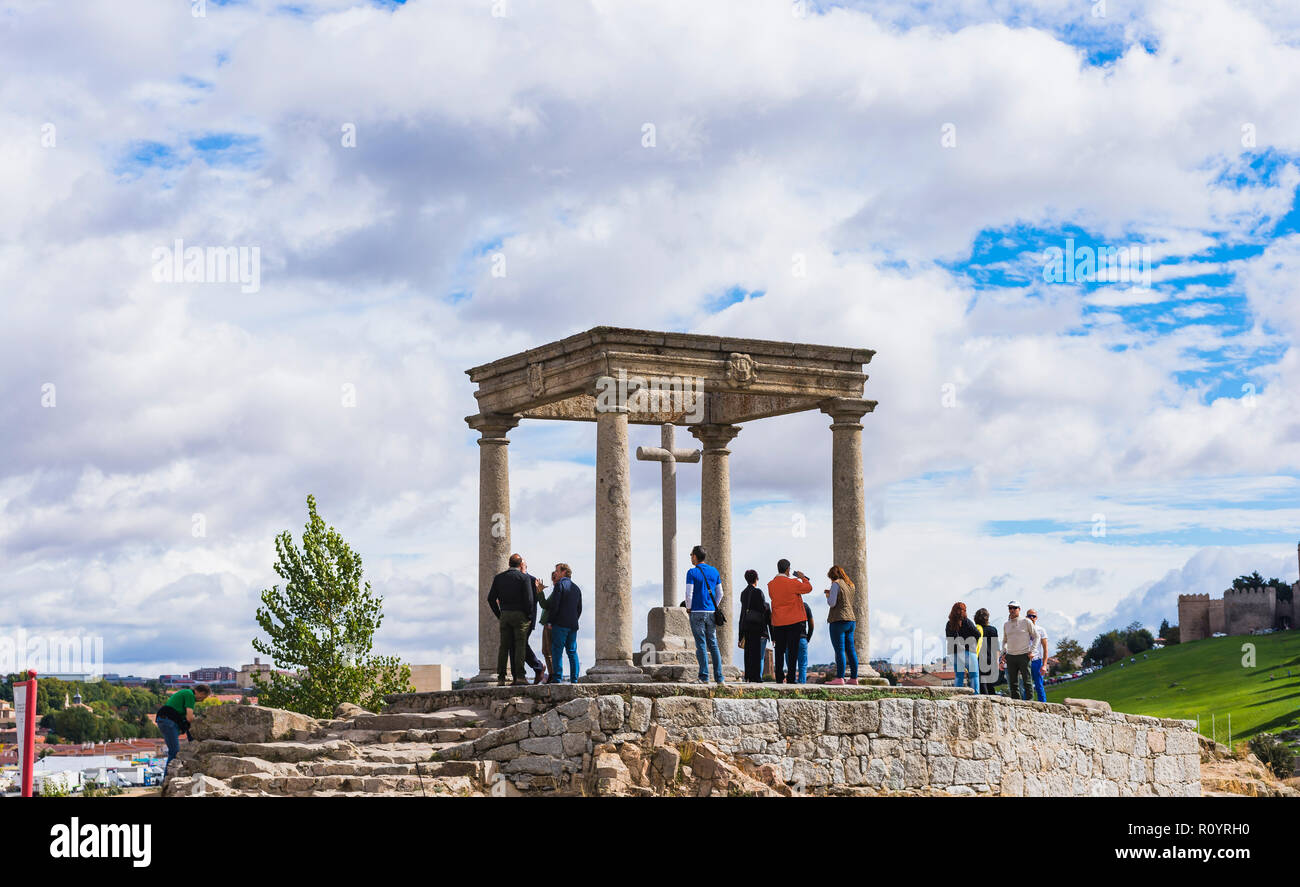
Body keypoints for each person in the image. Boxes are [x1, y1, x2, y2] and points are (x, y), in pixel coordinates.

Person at [487, 553, 536, 685]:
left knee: (504, 646)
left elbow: (490, 598)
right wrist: (529, 615)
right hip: (520, 615)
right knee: (520, 646)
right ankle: (520, 676)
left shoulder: (499, 578)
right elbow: (529, 600)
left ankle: (501, 677)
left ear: (509, 563)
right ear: (520, 565)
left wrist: (499, 614)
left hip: (505, 614)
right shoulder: (523, 578)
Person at [767, 559, 813, 684]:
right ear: (788, 569)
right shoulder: (793, 582)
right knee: (792, 650)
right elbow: (809, 588)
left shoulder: (771, 585)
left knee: (780, 650)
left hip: (778, 621)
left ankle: (779, 677)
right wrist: (803, 577)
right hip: (794, 621)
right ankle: (791, 677)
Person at [685, 544, 724, 683]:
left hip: (696, 611)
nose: (691, 557)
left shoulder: (692, 572)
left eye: (691, 555)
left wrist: (688, 608)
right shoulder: (714, 571)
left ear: (695, 556)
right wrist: (714, 606)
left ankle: (704, 677)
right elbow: (720, 593)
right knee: (713, 644)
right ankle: (720, 678)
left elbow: (689, 594)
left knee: (701, 644)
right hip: (711, 612)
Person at [156, 683, 211, 777]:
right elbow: (189, 718)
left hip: (165, 719)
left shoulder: (186, 693)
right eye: (203, 697)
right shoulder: (190, 695)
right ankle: (167, 777)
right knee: (174, 751)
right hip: (168, 721)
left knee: (175, 749)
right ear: (200, 692)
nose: (202, 700)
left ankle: (192, 742)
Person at [546, 563, 582, 683]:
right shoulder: (576, 588)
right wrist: (574, 619)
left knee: (557, 650)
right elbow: (579, 608)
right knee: (572, 652)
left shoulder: (559, 585)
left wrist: (550, 621)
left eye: (557, 571)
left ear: (564, 572)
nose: (555, 573)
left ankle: (557, 678)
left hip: (560, 624)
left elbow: (555, 605)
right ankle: (575, 679)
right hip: (573, 624)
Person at [824, 564, 858, 685]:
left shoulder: (835, 584)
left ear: (832, 576)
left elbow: (832, 603)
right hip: (851, 620)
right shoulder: (850, 585)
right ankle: (854, 678)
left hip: (838, 619)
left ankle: (840, 678)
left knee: (839, 650)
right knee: (851, 650)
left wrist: (828, 596)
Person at [1001, 600, 1039, 700]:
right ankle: (1016, 703)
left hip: (1024, 655)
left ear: (1019, 609)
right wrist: (1003, 653)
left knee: (1027, 681)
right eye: (1010, 608)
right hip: (1011, 656)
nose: (1012, 610)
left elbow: (1036, 636)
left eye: (1014, 608)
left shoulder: (1026, 621)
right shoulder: (1006, 624)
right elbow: (1004, 640)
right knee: (1013, 683)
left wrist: (1032, 651)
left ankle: (1031, 702)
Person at [738, 569, 770, 682]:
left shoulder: (743, 593)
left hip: (746, 626)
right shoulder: (758, 592)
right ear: (756, 579)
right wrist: (767, 606)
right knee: (756, 653)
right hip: (757, 626)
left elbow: (742, 614)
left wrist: (740, 635)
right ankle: (756, 677)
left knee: (748, 652)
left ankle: (748, 676)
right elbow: (763, 609)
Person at [520, 559, 548, 685]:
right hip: (520, 619)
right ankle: (535, 668)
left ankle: (538, 667)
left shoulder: (532, 580)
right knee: (520, 645)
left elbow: (534, 600)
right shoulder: (517, 579)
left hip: (528, 618)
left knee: (521, 644)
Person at [945, 602, 982, 692]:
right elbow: (978, 634)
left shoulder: (949, 624)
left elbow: (949, 639)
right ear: (964, 611)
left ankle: (958, 695)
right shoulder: (967, 621)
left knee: (959, 676)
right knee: (974, 675)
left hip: (956, 653)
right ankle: (975, 695)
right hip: (969, 651)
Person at [973, 607, 1000, 695]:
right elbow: (996, 648)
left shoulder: (975, 630)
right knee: (989, 683)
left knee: (982, 683)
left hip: (978, 659)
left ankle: (987, 703)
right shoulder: (993, 630)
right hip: (990, 659)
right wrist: (996, 661)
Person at [1027, 608, 1048, 702]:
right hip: (1025, 661)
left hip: (1037, 661)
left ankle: (1043, 705)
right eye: (1029, 616)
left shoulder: (1041, 630)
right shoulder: (1023, 630)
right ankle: (1026, 705)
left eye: (1033, 616)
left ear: (1036, 618)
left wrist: (1044, 665)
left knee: (1039, 685)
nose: (1031, 618)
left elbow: (1045, 649)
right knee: (1026, 685)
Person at [798, 601, 815, 684]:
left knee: (791, 665)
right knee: (802, 666)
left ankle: (791, 684)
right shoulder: (805, 606)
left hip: (789, 640)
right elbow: (811, 625)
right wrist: (807, 638)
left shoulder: (787, 605)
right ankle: (801, 685)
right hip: (802, 638)